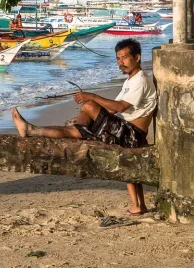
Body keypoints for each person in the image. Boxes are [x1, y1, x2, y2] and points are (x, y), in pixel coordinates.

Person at [10, 38, 157, 215]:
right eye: (118, 58)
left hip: (132, 134)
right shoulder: (130, 81)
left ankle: (79, 124)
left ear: (137, 57)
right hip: (126, 131)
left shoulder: (140, 80)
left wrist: (92, 97)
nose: (121, 62)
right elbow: (111, 109)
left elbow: (119, 107)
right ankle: (32, 130)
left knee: (88, 106)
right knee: (75, 128)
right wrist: (89, 115)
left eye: (125, 58)